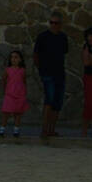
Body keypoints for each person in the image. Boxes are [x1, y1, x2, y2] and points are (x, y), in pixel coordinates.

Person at [32, 11, 69, 140]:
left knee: (57, 102)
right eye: (51, 22)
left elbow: (64, 53)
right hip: (47, 72)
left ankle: (52, 129)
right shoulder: (43, 37)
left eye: (56, 23)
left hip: (59, 72)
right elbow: (36, 54)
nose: (53, 25)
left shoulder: (63, 37)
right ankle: (44, 129)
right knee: (49, 99)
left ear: (60, 24)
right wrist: (40, 69)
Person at [0, 50, 28, 138]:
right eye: (12, 57)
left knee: (18, 113)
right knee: (6, 112)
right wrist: (4, 91)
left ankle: (16, 130)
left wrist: (25, 92)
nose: (13, 59)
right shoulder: (8, 70)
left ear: (20, 59)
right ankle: (2, 129)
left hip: (20, 94)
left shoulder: (23, 70)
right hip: (10, 94)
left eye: (16, 57)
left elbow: (24, 81)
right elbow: (3, 80)